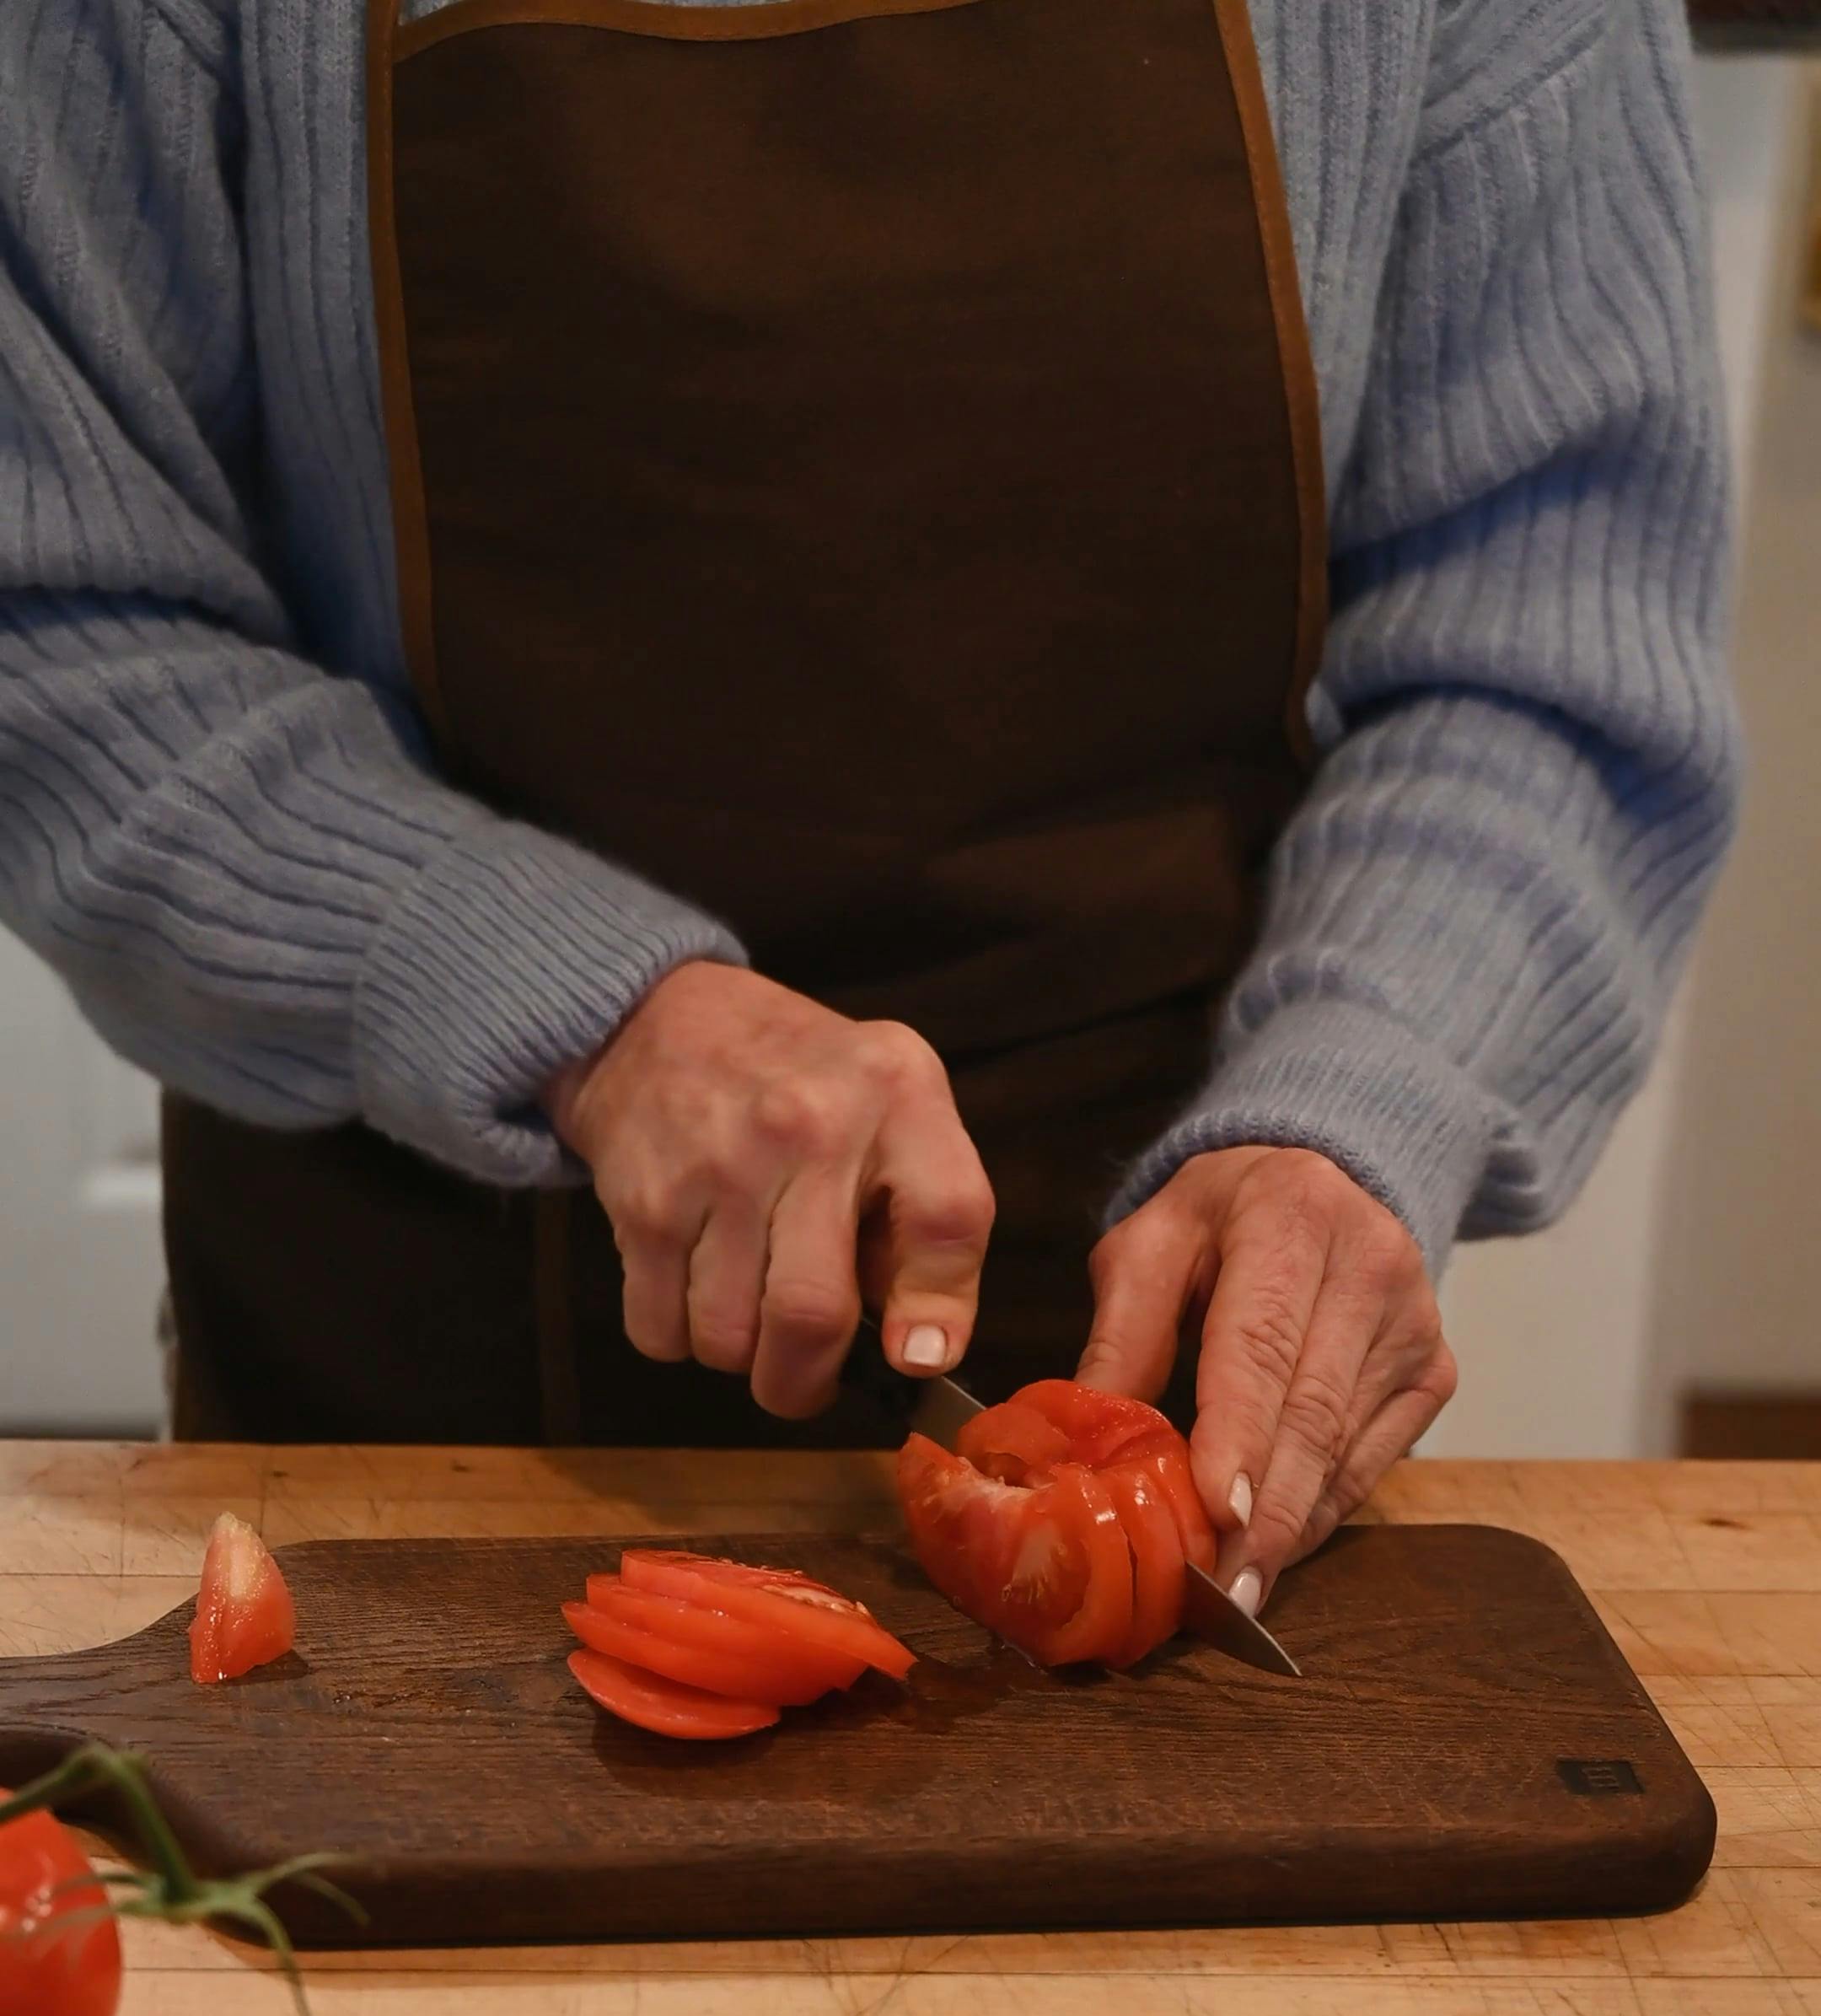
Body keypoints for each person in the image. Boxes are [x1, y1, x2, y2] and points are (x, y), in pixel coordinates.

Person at [0, 0, 1735, 1615]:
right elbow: (53, 617)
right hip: (409, 1377)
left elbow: (1539, 650)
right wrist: (569, 1010)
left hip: (1179, 1381)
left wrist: (1374, 1081)